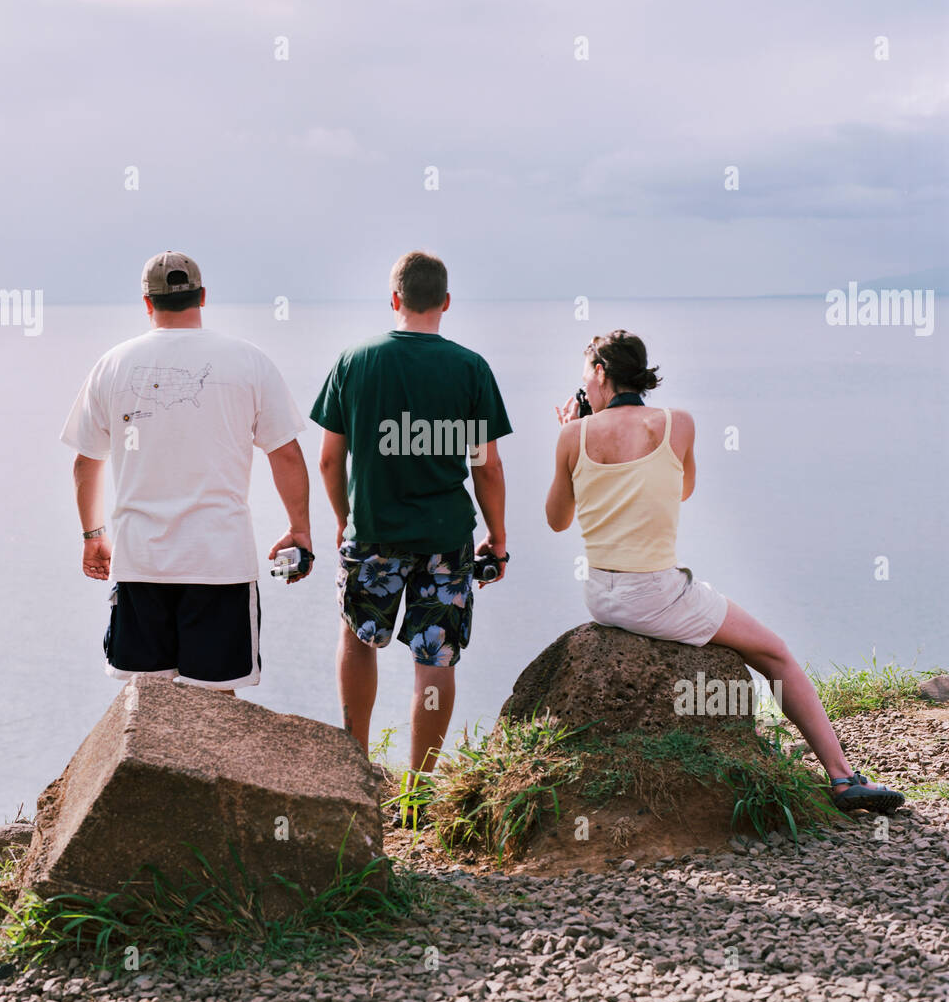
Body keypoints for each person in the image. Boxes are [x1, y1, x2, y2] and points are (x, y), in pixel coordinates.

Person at [545, 329, 904, 814]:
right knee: (775, 654)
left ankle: (842, 777)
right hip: (654, 596)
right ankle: (842, 779)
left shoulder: (573, 435)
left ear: (602, 373)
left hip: (601, 596)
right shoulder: (679, 424)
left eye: (586, 374)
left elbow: (557, 519)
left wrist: (575, 434)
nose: (584, 385)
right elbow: (681, 490)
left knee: (732, 623)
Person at [311, 251, 512, 806]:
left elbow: (330, 460)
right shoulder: (470, 368)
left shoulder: (354, 362)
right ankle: (419, 792)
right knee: (435, 657)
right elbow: (485, 466)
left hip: (372, 531)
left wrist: (342, 519)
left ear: (394, 299)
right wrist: (498, 535)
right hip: (446, 539)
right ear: (446, 302)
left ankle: (356, 770)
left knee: (358, 638)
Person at [61, 251, 312, 692]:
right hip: (220, 562)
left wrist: (92, 537)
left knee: (146, 707)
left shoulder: (113, 364)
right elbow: (286, 453)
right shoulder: (248, 360)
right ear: (202, 296)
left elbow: (86, 461)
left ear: (146, 302)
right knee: (217, 703)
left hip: (140, 562)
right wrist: (299, 529)